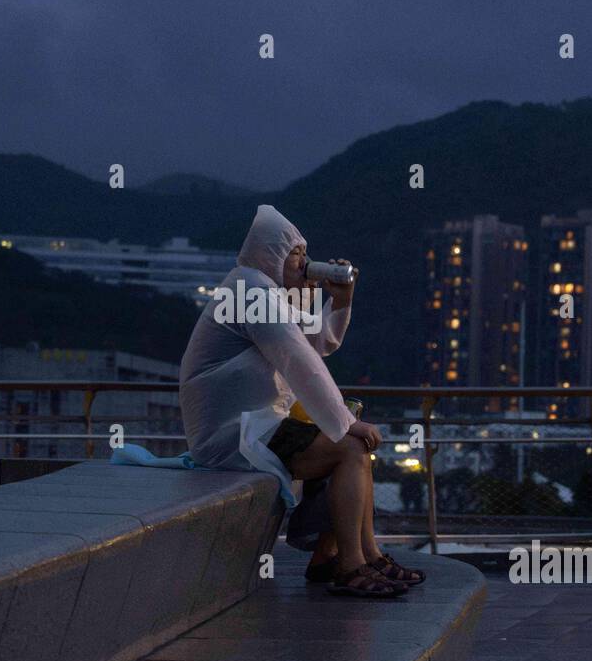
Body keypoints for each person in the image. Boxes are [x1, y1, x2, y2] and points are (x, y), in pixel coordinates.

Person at [179, 205, 425, 598]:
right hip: (235, 433)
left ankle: (353, 555)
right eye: (294, 253)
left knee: (351, 443)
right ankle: (351, 566)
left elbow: (316, 341)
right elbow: (299, 360)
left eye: (302, 253)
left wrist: (341, 300)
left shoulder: (261, 290)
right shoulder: (249, 289)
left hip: (256, 425)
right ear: (270, 254)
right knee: (348, 447)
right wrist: (343, 422)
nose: (303, 261)